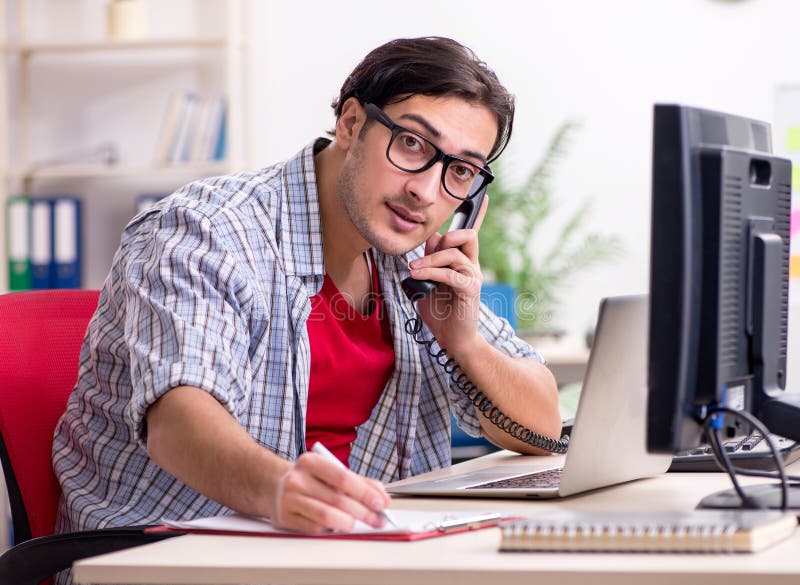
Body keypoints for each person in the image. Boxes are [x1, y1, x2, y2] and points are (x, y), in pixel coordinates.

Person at [52, 35, 561, 574]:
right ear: (350, 124)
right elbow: (179, 423)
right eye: (412, 144)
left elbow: (543, 427)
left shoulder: (410, 262)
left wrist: (464, 342)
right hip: (165, 560)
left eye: (460, 170)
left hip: (343, 557)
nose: (427, 191)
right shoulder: (209, 232)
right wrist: (278, 488)